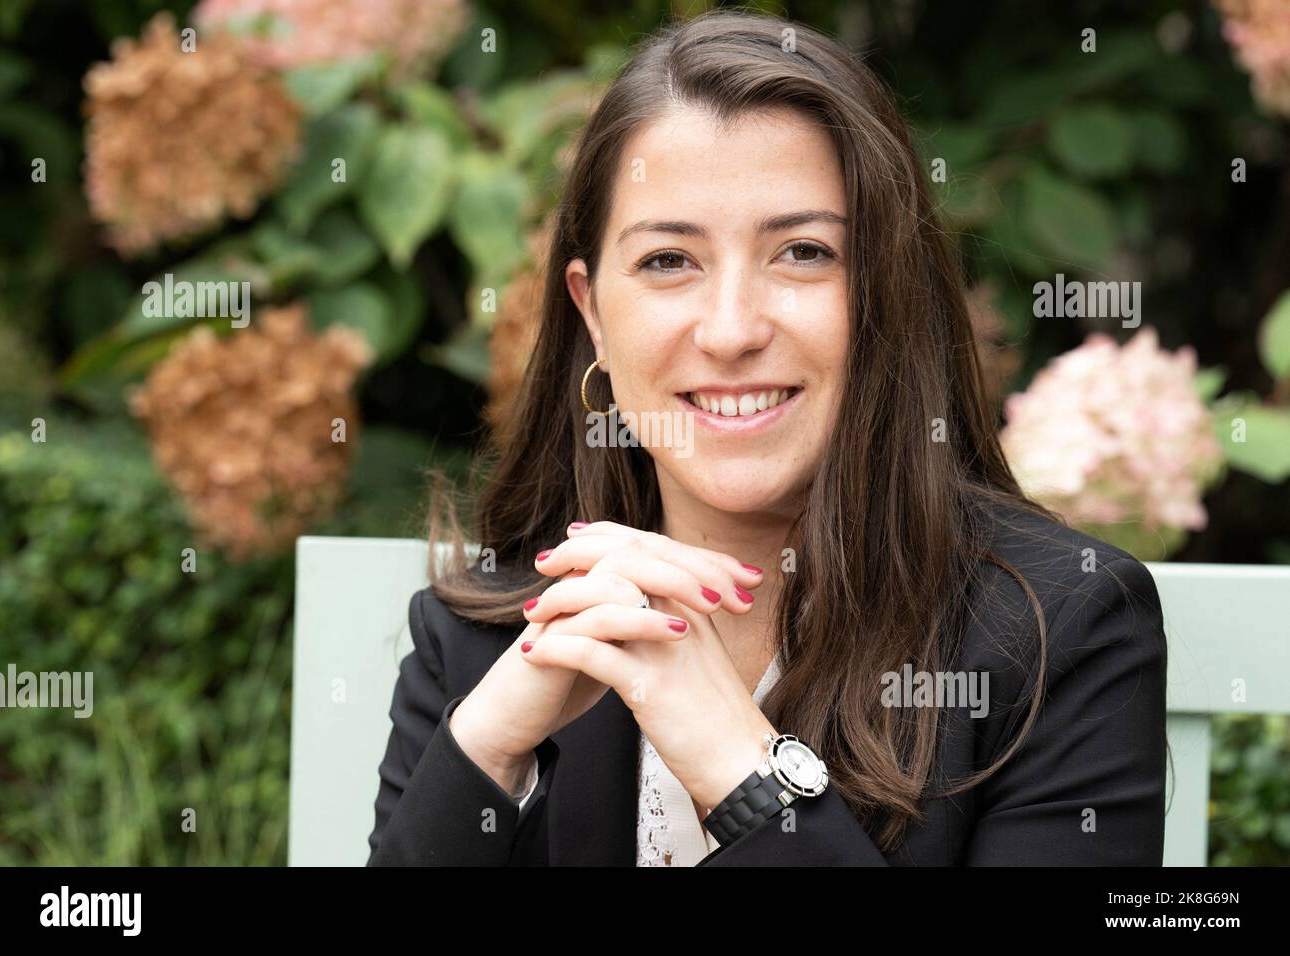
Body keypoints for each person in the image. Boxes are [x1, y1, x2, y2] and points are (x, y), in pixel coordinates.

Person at [367, 8, 1168, 867]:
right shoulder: (489, 638)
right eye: (668, 261)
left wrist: (743, 774)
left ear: (886, 295)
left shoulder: (1063, 634)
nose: (731, 330)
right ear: (592, 311)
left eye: (802, 253)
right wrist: (483, 755)